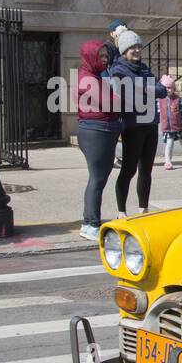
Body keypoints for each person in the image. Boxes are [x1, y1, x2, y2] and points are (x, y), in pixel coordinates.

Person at [108, 29, 167, 216]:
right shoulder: (118, 69)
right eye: (132, 47)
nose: (136, 50)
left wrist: (145, 87)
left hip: (150, 123)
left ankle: (144, 208)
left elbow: (162, 91)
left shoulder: (144, 68)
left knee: (146, 170)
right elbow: (134, 86)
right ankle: (121, 211)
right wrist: (148, 87)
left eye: (138, 46)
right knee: (129, 169)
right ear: (124, 50)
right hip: (132, 125)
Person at [75, 39, 120, 240]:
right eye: (100, 56)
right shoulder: (88, 79)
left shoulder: (94, 76)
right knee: (97, 178)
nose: (105, 59)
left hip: (101, 129)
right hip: (96, 130)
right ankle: (90, 223)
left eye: (106, 55)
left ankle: (90, 221)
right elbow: (111, 104)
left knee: (99, 178)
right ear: (91, 57)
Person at [157, 76, 182, 170]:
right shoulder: (159, 100)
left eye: (169, 87)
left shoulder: (178, 99)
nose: (167, 90)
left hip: (179, 126)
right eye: (165, 88)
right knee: (169, 144)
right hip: (168, 128)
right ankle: (168, 161)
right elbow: (157, 113)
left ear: (174, 88)